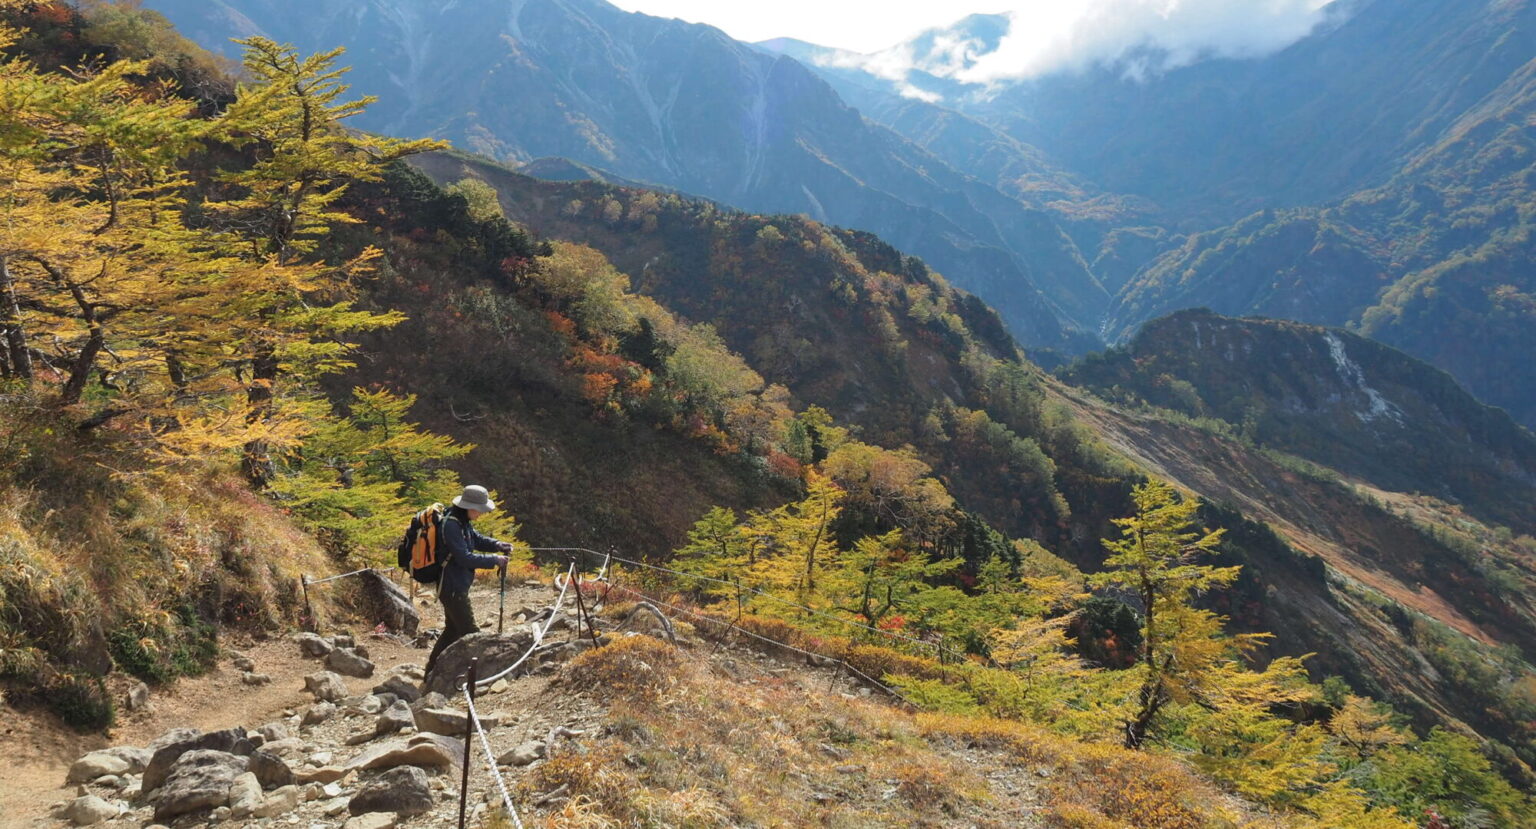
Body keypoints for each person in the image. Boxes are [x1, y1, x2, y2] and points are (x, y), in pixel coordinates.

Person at [424, 484, 514, 677]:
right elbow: (464, 557)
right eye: (479, 509)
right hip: (452, 587)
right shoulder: (451, 525)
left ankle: (431, 670)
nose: (481, 513)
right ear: (469, 507)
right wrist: (495, 560)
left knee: (452, 630)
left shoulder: (460, 521)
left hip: (454, 585)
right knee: (472, 633)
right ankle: (480, 675)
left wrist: (497, 545)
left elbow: (476, 539)